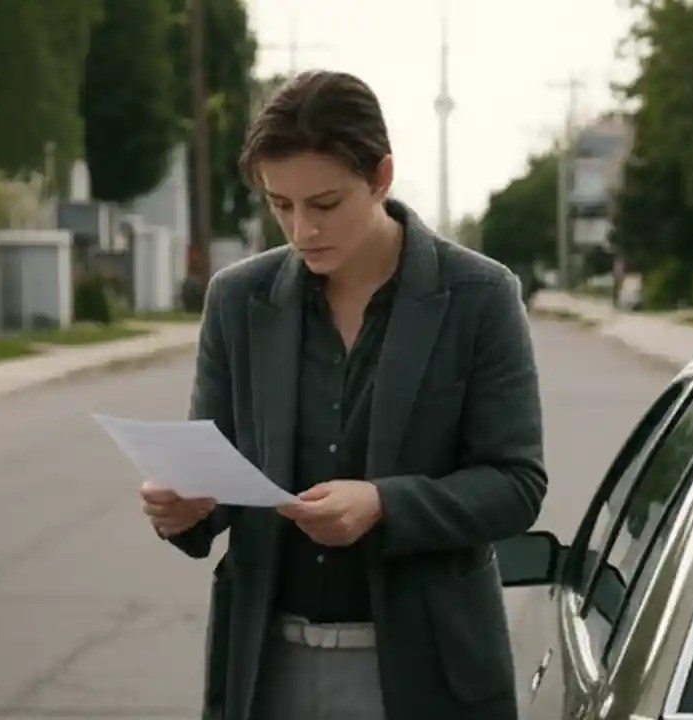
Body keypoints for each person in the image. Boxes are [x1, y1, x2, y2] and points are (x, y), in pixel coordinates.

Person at [140, 70, 547, 720]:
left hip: (426, 669)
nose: (302, 229)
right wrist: (183, 508)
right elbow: (215, 473)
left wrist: (384, 504)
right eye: (281, 204)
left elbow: (516, 484)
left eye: (325, 204)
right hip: (267, 666)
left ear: (381, 176)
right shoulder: (238, 301)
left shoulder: (480, 297)